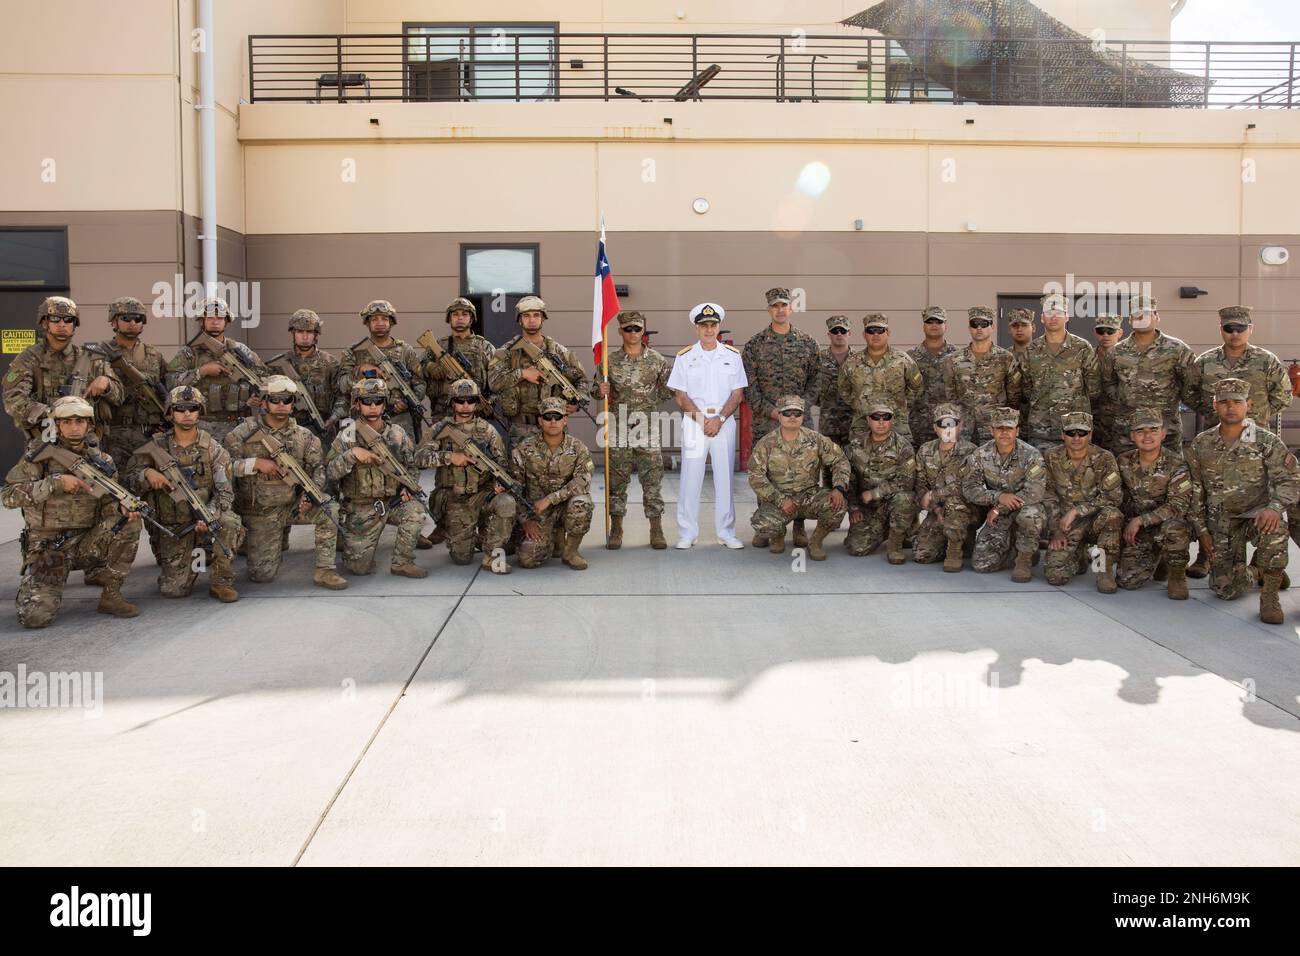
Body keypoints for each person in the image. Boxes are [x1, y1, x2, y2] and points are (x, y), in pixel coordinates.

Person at [2, 396, 141, 626]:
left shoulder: (102, 462)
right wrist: (54, 483)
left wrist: (121, 506)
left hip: (87, 542)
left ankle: (111, 594)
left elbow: (108, 504)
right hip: (49, 547)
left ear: (89, 425)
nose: (74, 427)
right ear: (57, 425)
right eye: (67, 422)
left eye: (79, 421)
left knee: (130, 521)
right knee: (34, 618)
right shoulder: (40, 458)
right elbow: (8, 496)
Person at [1187, 305, 1292, 580]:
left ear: (1250, 330)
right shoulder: (1206, 361)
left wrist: (1256, 418)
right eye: (1229, 328)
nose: (1234, 333)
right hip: (1216, 439)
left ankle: (1264, 565)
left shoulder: (1265, 360)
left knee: (1260, 493)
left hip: (1254, 440)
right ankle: (1204, 555)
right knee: (1212, 493)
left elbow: (1283, 396)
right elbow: (1191, 393)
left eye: (1240, 328)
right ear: (1221, 329)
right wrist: (1215, 415)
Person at [1184, 377, 1300, 625]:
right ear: (1215, 405)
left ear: (1248, 404)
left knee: (1275, 527)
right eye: (1224, 402)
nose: (1230, 407)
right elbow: (1195, 491)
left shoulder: (1265, 441)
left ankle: (1269, 593)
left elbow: (1290, 479)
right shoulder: (1201, 444)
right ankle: (1258, 568)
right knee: (1225, 589)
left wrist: (1275, 508)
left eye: (1237, 402)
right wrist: (1202, 531)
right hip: (1222, 522)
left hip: (1257, 516)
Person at [224, 375, 348, 589]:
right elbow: (223, 466)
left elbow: (319, 469)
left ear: (293, 405)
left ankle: (325, 570)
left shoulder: (304, 436)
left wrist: (309, 495)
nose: (281, 405)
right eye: (276, 399)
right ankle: (265, 541)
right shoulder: (243, 433)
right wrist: (254, 464)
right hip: (260, 510)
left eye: (287, 400)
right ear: (264, 402)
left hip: (294, 505)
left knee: (329, 509)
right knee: (262, 575)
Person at [130, 386, 240, 602]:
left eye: (193, 408)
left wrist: (209, 516)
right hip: (173, 526)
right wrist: (147, 474)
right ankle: (192, 559)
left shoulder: (213, 449)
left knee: (229, 522)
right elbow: (130, 479)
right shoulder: (155, 447)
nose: (187, 414)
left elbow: (225, 493)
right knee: (174, 590)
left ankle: (221, 581)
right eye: (180, 408)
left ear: (200, 411)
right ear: (170, 412)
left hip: (205, 520)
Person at [326, 377, 427, 579]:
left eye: (378, 401)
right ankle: (350, 539)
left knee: (416, 512)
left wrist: (408, 488)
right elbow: (329, 473)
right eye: (366, 401)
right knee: (358, 568)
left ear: (384, 403)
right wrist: (352, 454)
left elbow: (412, 465)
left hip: (392, 502)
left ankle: (402, 562)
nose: (373, 406)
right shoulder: (347, 435)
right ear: (357, 404)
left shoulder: (397, 434)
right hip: (361, 506)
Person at [667, 302, 748, 549]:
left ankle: (726, 532)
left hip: (723, 423)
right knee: (690, 479)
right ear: (696, 328)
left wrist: (720, 419)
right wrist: (703, 420)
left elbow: (737, 394)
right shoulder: (685, 357)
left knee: (725, 478)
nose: (709, 329)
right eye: (704, 325)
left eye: (713, 325)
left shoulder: (732, 357)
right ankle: (687, 533)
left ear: (719, 327)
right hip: (695, 424)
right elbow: (680, 395)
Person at [415, 378, 515, 573]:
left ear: (477, 403)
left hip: (482, 494)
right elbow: (419, 458)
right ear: (452, 402)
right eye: (460, 400)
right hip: (454, 497)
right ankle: (474, 537)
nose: (466, 405)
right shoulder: (439, 429)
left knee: (507, 502)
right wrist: (450, 457)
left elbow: (501, 463)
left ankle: (491, 555)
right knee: (461, 558)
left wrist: (499, 483)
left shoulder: (486, 430)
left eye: (471, 400)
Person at [594, 310, 672, 550]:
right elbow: (594, 391)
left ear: (643, 331)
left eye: (637, 329)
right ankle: (616, 528)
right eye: (628, 329)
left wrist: (650, 400)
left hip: (647, 429)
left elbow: (671, 388)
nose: (633, 333)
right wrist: (601, 391)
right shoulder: (609, 361)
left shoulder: (657, 360)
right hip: (619, 429)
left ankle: (656, 529)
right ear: (620, 331)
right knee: (617, 482)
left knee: (652, 481)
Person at [4, 296, 122, 443]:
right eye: (55, 319)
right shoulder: (29, 359)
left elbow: (119, 397)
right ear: (45, 322)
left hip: (86, 444)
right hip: (45, 442)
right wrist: (52, 412)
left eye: (68, 320)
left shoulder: (90, 359)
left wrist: (107, 384)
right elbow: (13, 399)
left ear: (74, 324)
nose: (62, 324)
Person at [747, 395, 849, 560]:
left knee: (838, 504)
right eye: (787, 413)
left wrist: (838, 487)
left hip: (808, 496)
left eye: (797, 413)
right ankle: (778, 535)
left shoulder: (816, 439)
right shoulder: (766, 444)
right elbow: (755, 477)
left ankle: (815, 541)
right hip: (780, 499)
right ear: (779, 415)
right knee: (762, 525)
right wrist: (780, 500)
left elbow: (840, 460)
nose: (792, 417)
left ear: (803, 416)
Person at [488, 296, 590, 445]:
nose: (531, 320)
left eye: (536, 315)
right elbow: (493, 382)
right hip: (521, 429)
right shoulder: (507, 351)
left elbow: (581, 379)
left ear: (543, 319)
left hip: (554, 426)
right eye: (526, 316)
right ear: (519, 320)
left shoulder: (559, 351)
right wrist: (522, 374)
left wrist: (577, 402)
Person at [1099, 295, 1194, 455]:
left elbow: (1191, 384)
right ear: (1130, 320)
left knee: (1168, 476)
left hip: (1165, 431)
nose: (1141, 318)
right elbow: (1107, 384)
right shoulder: (1116, 352)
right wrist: (1124, 402)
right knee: (1126, 475)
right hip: (1126, 432)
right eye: (1136, 314)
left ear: (1157, 317)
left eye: (1147, 313)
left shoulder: (1177, 350)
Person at [165, 296, 268, 444]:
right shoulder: (189, 353)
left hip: (238, 425)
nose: (215, 322)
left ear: (226, 321)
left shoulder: (241, 351)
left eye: (220, 318)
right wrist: (202, 371)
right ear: (201, 321)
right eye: (210, 318)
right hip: (202, 426)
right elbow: (170, 383)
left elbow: (265, 379)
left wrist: (257, 399)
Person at [961, 407, 1047, 582]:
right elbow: (970, 488)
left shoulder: (1031, 455)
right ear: (992, 431)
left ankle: (1024, 559)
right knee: (982, 565)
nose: (1004, 433)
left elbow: (1035, 491)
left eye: (1009, 428)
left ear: (1017, 430)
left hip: (1024, 508)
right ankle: (1012, 543)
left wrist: (999, 507)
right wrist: (998, 497)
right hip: (1000, 512)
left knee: (1030, 516)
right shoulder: (980, 454)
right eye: (1000, 428)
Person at [1041, 412, 1124, 592]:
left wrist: (1077, 511)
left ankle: (1103, 570)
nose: (1076, 438)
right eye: (1071, 433)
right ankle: (1077, 554)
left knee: (1112, 515)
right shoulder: (1051, 457)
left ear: (1090, 434)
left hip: (1095, 520)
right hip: (1067, 525)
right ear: (1063, 435)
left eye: (1082, 432)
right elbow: (1048, 496)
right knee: (1055, 576)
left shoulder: (1104, 458)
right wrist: (1056, 530)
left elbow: (1113, 497)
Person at [510, 397, 595, 570]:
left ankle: (570, 552)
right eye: (548, 417)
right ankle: (553, 539)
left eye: (558, 416)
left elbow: (582, 481)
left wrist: (550, 499)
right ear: (540, 421)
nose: (553, 421)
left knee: (582, 502)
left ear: (565, 420)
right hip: (538, 513)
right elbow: (514, 489)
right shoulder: (523, 450)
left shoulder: (578, 448)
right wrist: (526, 521)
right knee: (527, 559)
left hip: (566, 507)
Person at [1116, 408, 1193, 600]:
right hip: (1138, 531)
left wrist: (1141, 520)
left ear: (1163, 434)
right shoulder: (1123, 461)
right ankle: (1157, 560)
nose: (1147, 436)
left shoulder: (1177, 464)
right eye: (1141, 431)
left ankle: (1176, 573)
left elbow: (1178, 505)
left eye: (1153, 430)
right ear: (1132, 436)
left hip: (1165, 526)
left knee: (1176, 527)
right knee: (1127, 580)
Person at [1018, 292, 1099, 453]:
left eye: (1059, 313)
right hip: (1041, 429)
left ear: (1067, 316)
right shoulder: (1031, 350)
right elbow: (1026, 389)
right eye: (1049, 313)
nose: (1053, 317)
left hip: (1075, 430)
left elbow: (1094, 388)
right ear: (1042, 318)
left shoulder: (1082, 348)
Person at [335, 300, 428, 440]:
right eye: (374, 319)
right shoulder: (353, 352)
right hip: (362, 421)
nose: (380, 323)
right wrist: (360, 370)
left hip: (400, 419)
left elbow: (420, 383)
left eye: (385, 319)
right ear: (367, 323)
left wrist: (406, 403)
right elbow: (342, 385)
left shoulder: (405, 350)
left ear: (391, 322)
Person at [95, 296, 167, 472]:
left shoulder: (154, 355)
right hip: (114, 434)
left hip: (149, 434)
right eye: (126, 318)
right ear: (114, 321)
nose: (132, 323)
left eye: (138, 319)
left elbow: (167, 389)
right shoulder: (99, 354)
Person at [843, 399, 916, 563]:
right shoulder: (854, 447)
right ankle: (887, 529)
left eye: (886, 417)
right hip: (868, 508)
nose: (881, 422)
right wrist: (853, 508)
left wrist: (875, 493)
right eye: (876, 417)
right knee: (856, 548)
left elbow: (906, 482)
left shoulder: (904, 447)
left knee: (905, 498)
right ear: (868, 420)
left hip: (893, 503)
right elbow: (849, 481)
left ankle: (895, 544)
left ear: (893, 420)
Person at [838, 313, 923, 446]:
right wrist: (860, 405)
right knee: (859, 463)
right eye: (871, 331)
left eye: (880, 330)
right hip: (862, 426)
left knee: (900, 464)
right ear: (864, 334)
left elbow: (916, 386)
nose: (875, 335)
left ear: (888, 333)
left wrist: (900, 406)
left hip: (896, 425)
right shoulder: (851, 363)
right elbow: (844, 389)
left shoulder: (903, 360)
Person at [913, 402, 978, 572]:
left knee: (955, 503)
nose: (948, 429)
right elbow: (920, 484)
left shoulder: (971, 452)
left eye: (952, 423)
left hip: (965, 509)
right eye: (943, 424)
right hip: (938, 510)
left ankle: (955, 550)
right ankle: (958, 539)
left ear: (960, 426)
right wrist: (935, 509)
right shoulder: (925, 450)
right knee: (922, 555)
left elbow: (968, 486)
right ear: (935, 428)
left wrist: (935, 495)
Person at [942, 306, 1021, 444]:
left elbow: (1014, 395)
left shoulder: (1005, 358)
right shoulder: (953, 360)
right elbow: (950, 394)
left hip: (994, 428)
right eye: (975, 324)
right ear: (969, 328)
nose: (979, 328)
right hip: (964, 429)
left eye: (984, 324)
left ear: (992, 327)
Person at [811, 315, 856, 477]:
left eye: (843, 331)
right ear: (829, 334)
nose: (839, 334)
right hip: (828, 423)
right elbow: (811, 389)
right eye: (834, 331)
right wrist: (825, 402)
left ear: (849, 333)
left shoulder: (859, 360)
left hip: (854, 425)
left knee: (855, 469)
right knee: (829, 468)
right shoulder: (818, 360)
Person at [906, 306, 960, 442]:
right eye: (930, 321)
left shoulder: (958, 356)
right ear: (924, 326)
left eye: (938, 321)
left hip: (948, 423)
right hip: (919, 424)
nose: (934, 325)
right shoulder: (909, 357)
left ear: (945, 326)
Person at [1089, 313, 1124, 452]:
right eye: (1101, 331)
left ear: (1120, 333)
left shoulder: (1128, 358)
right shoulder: (1087, 356)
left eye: (1110, 331)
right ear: (1095, 333)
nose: (1105, 335)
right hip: (1093, 419)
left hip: (1119, 419)